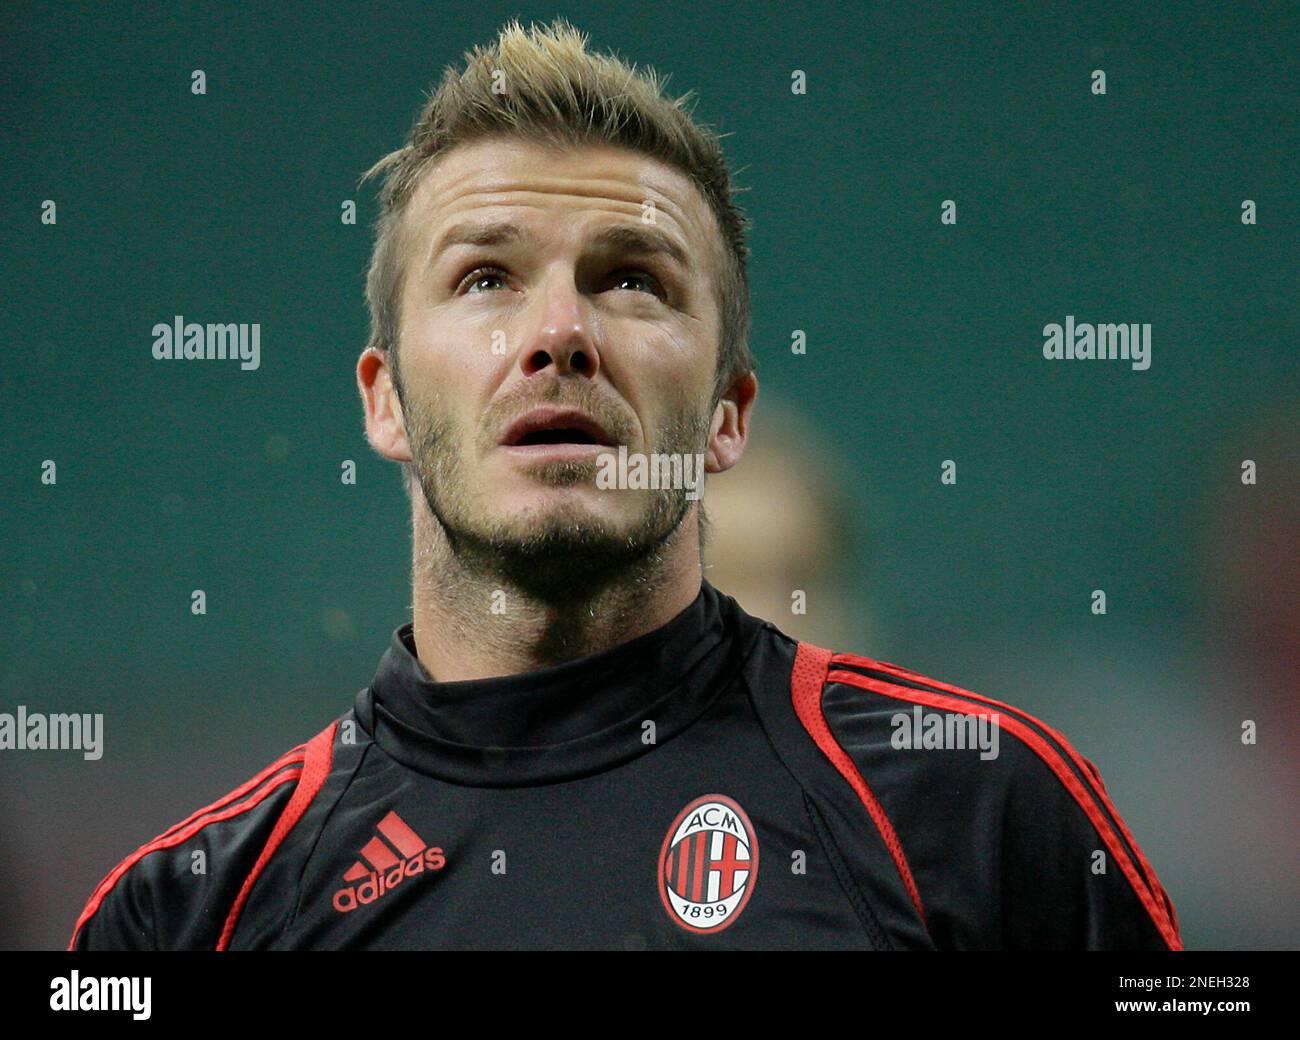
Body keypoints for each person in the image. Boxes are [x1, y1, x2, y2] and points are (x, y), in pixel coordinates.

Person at [69, 17, 1179, 951]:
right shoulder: (186, 914)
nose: (558, 333)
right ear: (386, 399)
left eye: (632, 279)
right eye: (486, 275)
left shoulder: (983, 810)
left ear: (727, 413)